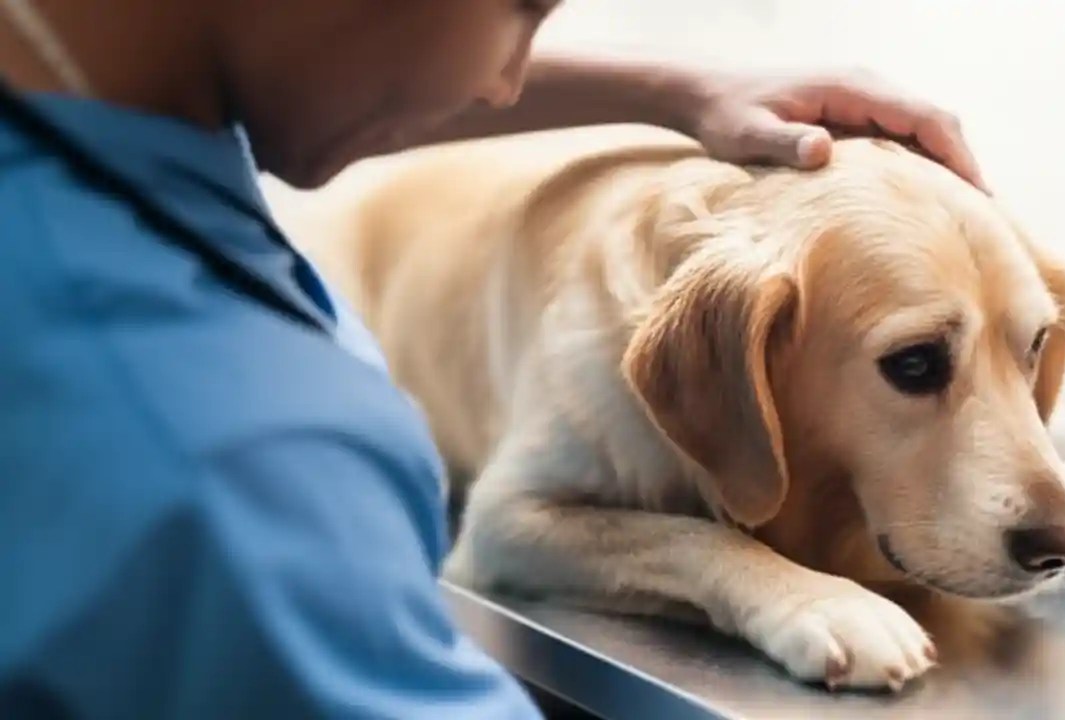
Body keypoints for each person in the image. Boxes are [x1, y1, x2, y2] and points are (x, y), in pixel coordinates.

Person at [0, 1, 987, 718]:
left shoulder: (108, 91)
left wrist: (670, 88)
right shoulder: (227, 471)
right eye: (521, 9)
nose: (503, 82)